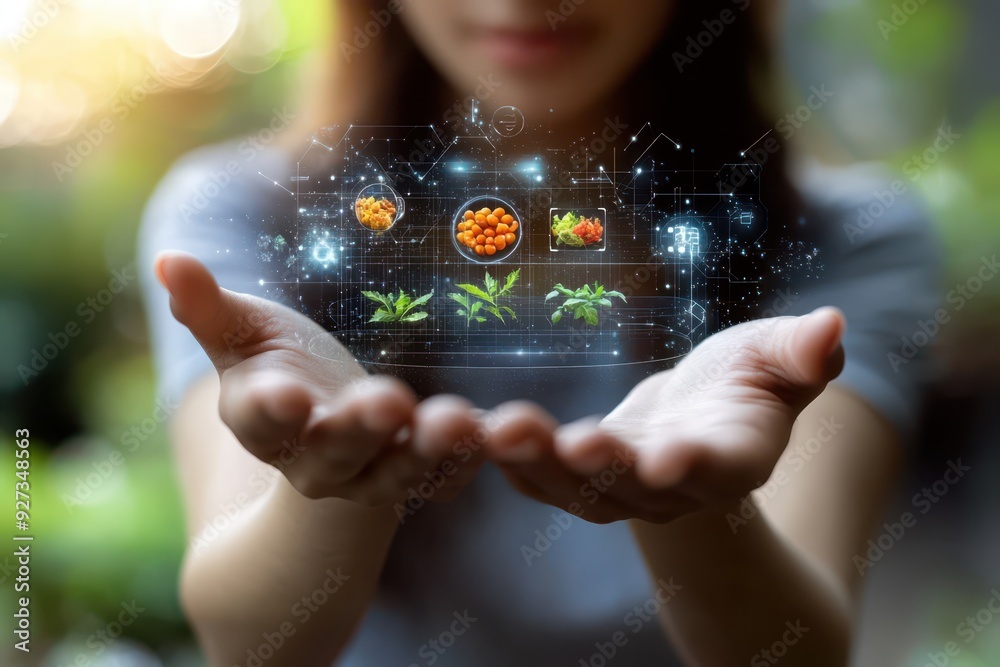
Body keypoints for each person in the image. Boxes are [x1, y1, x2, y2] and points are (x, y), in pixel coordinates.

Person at [138, 1, 940, 664]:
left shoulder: (849, 235)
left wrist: (695, 507)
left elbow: (794, 651)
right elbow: (247, 643)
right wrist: (338, 483)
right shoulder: (242, 215)